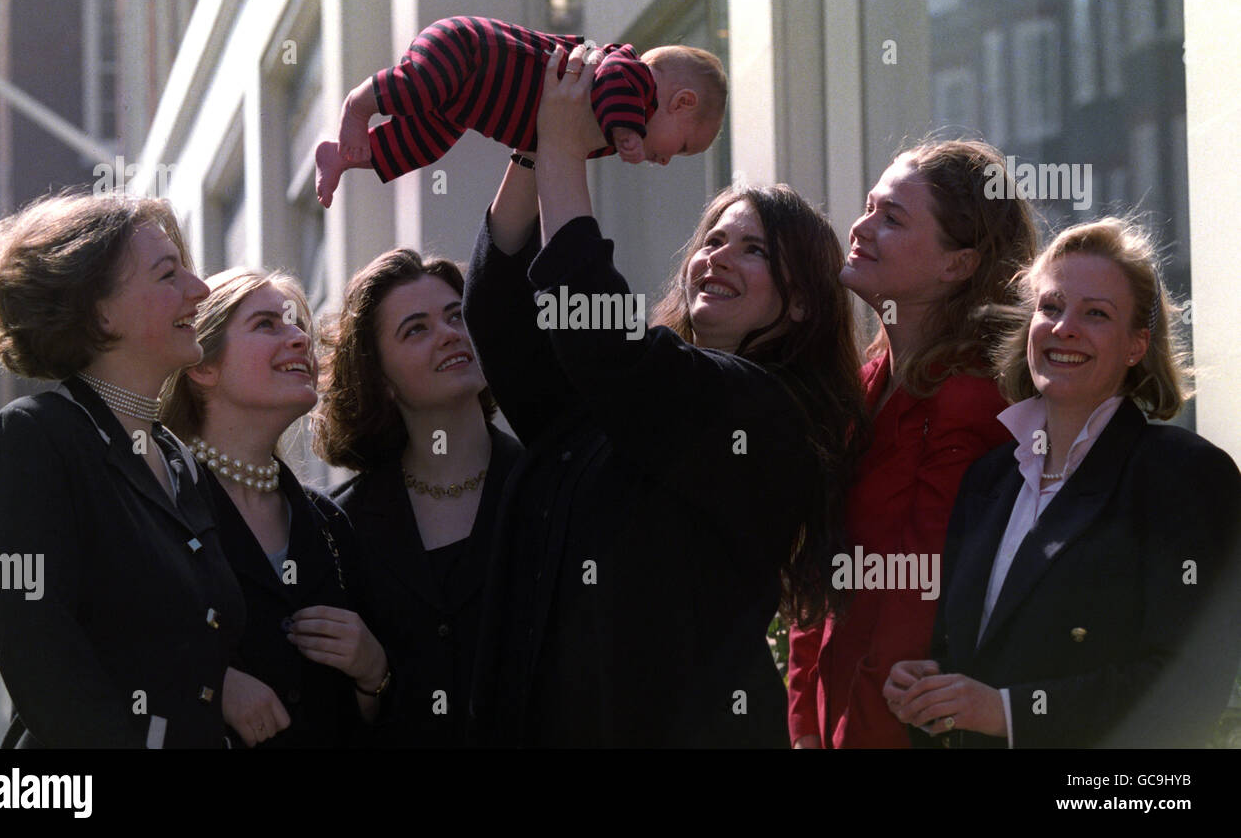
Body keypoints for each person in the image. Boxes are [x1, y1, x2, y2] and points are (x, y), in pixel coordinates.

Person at [462, 45, 866, 746]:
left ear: (803, 303)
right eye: (713, 239)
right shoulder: (613, 403)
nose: (717, 257)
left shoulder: (767, 417)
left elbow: (609, 348)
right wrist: (534, 148)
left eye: (755, 250)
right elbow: (501, 320)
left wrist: (564, 153)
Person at [885, 217, 1241, 747]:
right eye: (1050, 308)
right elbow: (979, 654)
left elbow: (1189, 688)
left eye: (1095, 314)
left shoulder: (1185, 475)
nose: (1063, 327)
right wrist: (928, 687)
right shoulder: (989, 477)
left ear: (1136, 346)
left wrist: (1006, 711)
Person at [786, 139, 1038, 748]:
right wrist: (802, 726)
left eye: (891, 217)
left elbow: (913, 606)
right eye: (870, 206)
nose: (861, 226)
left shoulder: (971, 398)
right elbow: (819, 576)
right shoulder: (867, 384)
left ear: (959, 264)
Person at [0, 190, 245, 748]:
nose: (199, 290)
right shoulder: (31, 438)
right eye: (169, 274)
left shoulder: (179, 462)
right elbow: (41, 665)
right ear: (99, 311)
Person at [161, 267, 388, 747]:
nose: (299, 340)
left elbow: (364, 721)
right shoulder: (157, 507)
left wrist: (373, 671)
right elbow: (103, 653)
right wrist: (211, 686)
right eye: (267, 324)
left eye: (297, 325)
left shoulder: (330, 525)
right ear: (202, 364)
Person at [314, 250, 521, 747]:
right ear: (380, 380)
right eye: (416, 329)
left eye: (456, 316)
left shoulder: (553, 490)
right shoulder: (340, 526)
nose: (451, 333)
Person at [314, 15, 726, 203]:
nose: (670, 160)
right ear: (681, 101)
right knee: (419, 85)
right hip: (469, 52)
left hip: (467, 106)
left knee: (423, 145)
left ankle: (342, 158)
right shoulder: (633, 74)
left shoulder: (612, 132)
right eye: (685, 146)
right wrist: (626, 130)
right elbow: (611, 83)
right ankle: (358, 105)